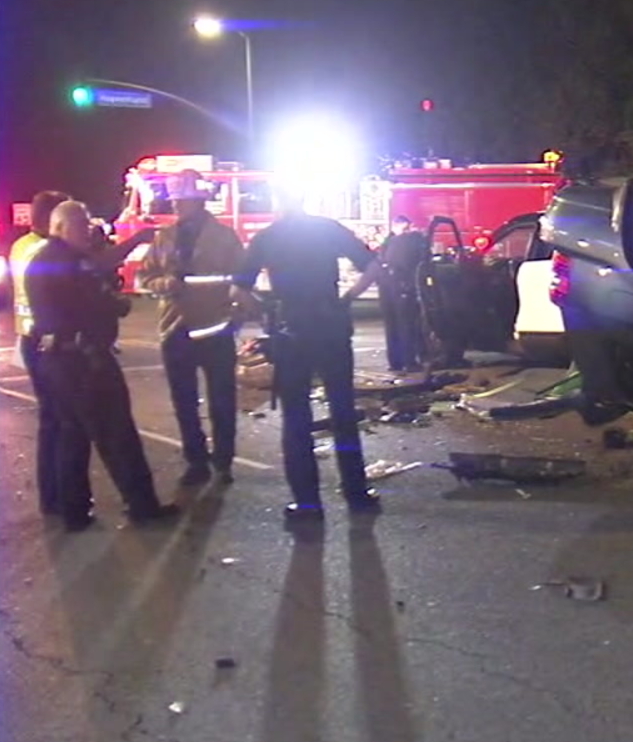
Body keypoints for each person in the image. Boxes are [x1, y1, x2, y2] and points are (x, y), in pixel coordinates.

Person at [22, 200, 179, 532]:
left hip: (56, 360)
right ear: (61, 227)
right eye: (81, 226)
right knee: (118, 434)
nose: (88, 231)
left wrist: (134, 241)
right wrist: (117, 303)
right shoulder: (73, 262)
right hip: (86, 361)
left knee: (72, 436)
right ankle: (142, 505)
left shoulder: (42, 259)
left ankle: (73, 513)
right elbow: (99, 301)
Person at [232, 187, 385, 524]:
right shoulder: (328, 228)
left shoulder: (266, 237)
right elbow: (374, 267)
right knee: (343, 412)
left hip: (292, 333)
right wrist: (346, 299)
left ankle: (307, 503)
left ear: (277, 202)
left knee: (296, 419)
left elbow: (239, 290)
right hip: (331, 327)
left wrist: (266, 314)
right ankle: (356, 493)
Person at [137, 169, 247, 486]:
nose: (175, 206)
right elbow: (144, 278)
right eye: (174, 201)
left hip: (216, 329)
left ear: (198, 201)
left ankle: (224, 460)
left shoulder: (224, 237)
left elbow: (242, 280)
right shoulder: (164, 237)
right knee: (184, 401)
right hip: (176, 328)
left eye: (180, 200)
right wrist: (163, 283)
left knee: (222, 400)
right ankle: (196, 460)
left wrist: (236, 315)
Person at [9, 191, 77, 516]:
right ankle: (59, 498)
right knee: (60, 422)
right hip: (45, 342)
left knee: (50, 421)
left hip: (29, 337)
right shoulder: (43, 251)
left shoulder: (21, 246)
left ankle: (51, 497)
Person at [377, 215, 429, 371]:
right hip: (403, 287)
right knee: (407, 324)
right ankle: (409, 362)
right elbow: (421, 262)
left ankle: (395, 362)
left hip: (386, 287)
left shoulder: (388, 242)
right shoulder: (412, 240)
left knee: (392, 326)